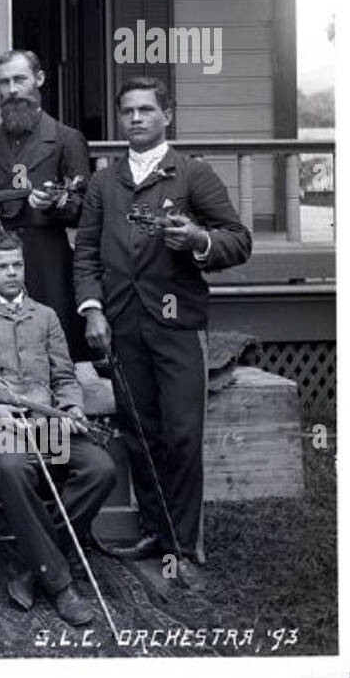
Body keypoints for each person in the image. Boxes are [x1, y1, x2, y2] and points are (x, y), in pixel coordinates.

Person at [73, 77, 252, 573]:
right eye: (127, 110)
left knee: (181, 435)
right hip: (121, 323)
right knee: (140, 432)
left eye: (146, 110)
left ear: (166, 117)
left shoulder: (192, 174)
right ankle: (156, 533)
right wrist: (92, 309)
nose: (135, 119)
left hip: (176, 323)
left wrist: (198, 239)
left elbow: (238, 240)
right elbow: (86, 252)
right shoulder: (104, 182)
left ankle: (187, 543)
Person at [0, 231, 116, 626]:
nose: (12, 272)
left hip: (46, 425)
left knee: (101, 469)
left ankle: (32, 567)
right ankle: (61, 584)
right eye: (1, 266)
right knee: (14, 469)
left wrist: (72, 407)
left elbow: (65, 377)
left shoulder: (46, 316)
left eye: (17, 264)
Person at [0, 49, 91, 360]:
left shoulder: (67, 139)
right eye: (3, 82)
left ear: (39, 79)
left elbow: (84, 208)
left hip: (46, 263)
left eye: (19, 79)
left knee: (51, 354)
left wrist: (56, 204)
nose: (12, 90)